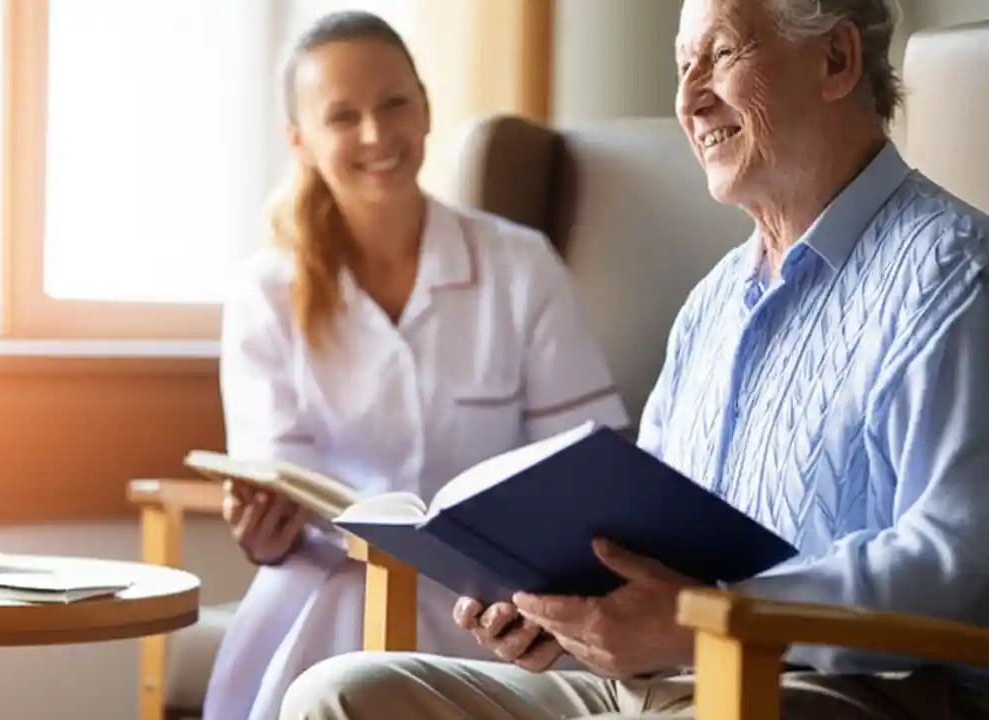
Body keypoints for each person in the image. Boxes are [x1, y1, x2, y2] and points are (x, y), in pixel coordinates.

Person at [279, 0, 989, 718]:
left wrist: (699, 617)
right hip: (641, 686)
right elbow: (645, 535)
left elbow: (959, 568)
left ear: (835, 61)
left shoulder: (955, 275)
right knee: (339, 696)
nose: (688, 98)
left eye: (720, 56)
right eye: (683, 66)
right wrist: (568, 607)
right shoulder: (711, 305)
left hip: (826, 689)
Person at [201, 10, 628, 720]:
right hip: (328, 583)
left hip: (490, 591)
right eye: (343, 116)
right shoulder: (265, 293)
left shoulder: (520, 267)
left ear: (427, 108)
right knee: (347, 599)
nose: (375, 134)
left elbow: (590, 461)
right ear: (299, 140)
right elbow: (280, 481)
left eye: (394, 103)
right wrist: (265, 534)